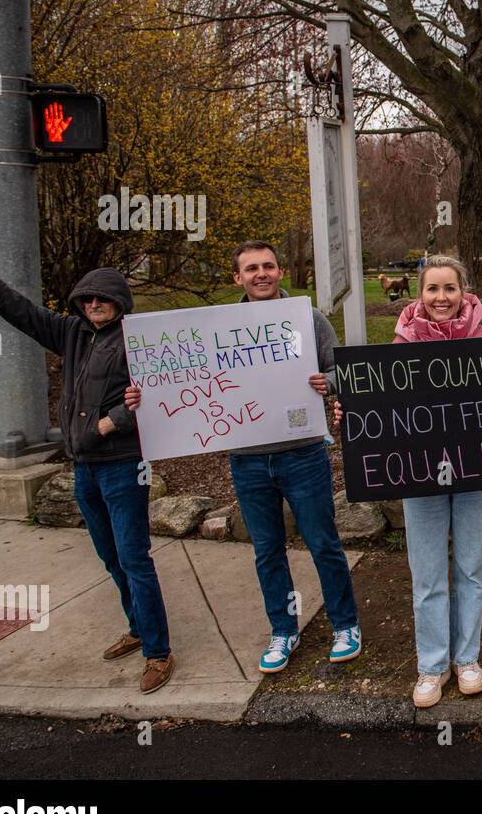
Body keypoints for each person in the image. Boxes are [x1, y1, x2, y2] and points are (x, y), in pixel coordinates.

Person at [0, 246, 175, 693]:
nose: (94, 305)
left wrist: (112, 422)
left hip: (122, 466)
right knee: (111, 557)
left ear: (120, 302)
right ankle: (138, 627)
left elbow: (163, 390)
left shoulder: (139, 340)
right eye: (87, 299)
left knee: (134, 558)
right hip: (84, 469)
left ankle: (158, 651)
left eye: (103, 298)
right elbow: (25, 313)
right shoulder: (72, 334)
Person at [128, 241, 361, 674]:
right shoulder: (217, 328)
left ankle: (345, 624)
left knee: (323, 543)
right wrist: (145, 396)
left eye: (269, 266)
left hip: (303, 454)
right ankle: (283, 629)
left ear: (280, 271)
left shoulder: (308, 320)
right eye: (251, 268)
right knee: (267, 550)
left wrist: (325, 382)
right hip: (248, 460)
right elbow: (181, 378)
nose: (261, 274)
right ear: (238, 278)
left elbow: (342, 371)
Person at [334, 256, 482, 708]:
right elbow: (381, 408)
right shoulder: (398, 345)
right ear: (419, 295)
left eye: (450, 289)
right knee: (427, 575)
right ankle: (431, 666)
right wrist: (353, 413)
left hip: (477, 472)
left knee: (472, 569)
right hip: (419, 473)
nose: (441, 298)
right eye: (432, 290)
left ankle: (467, 659)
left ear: (464, 293)